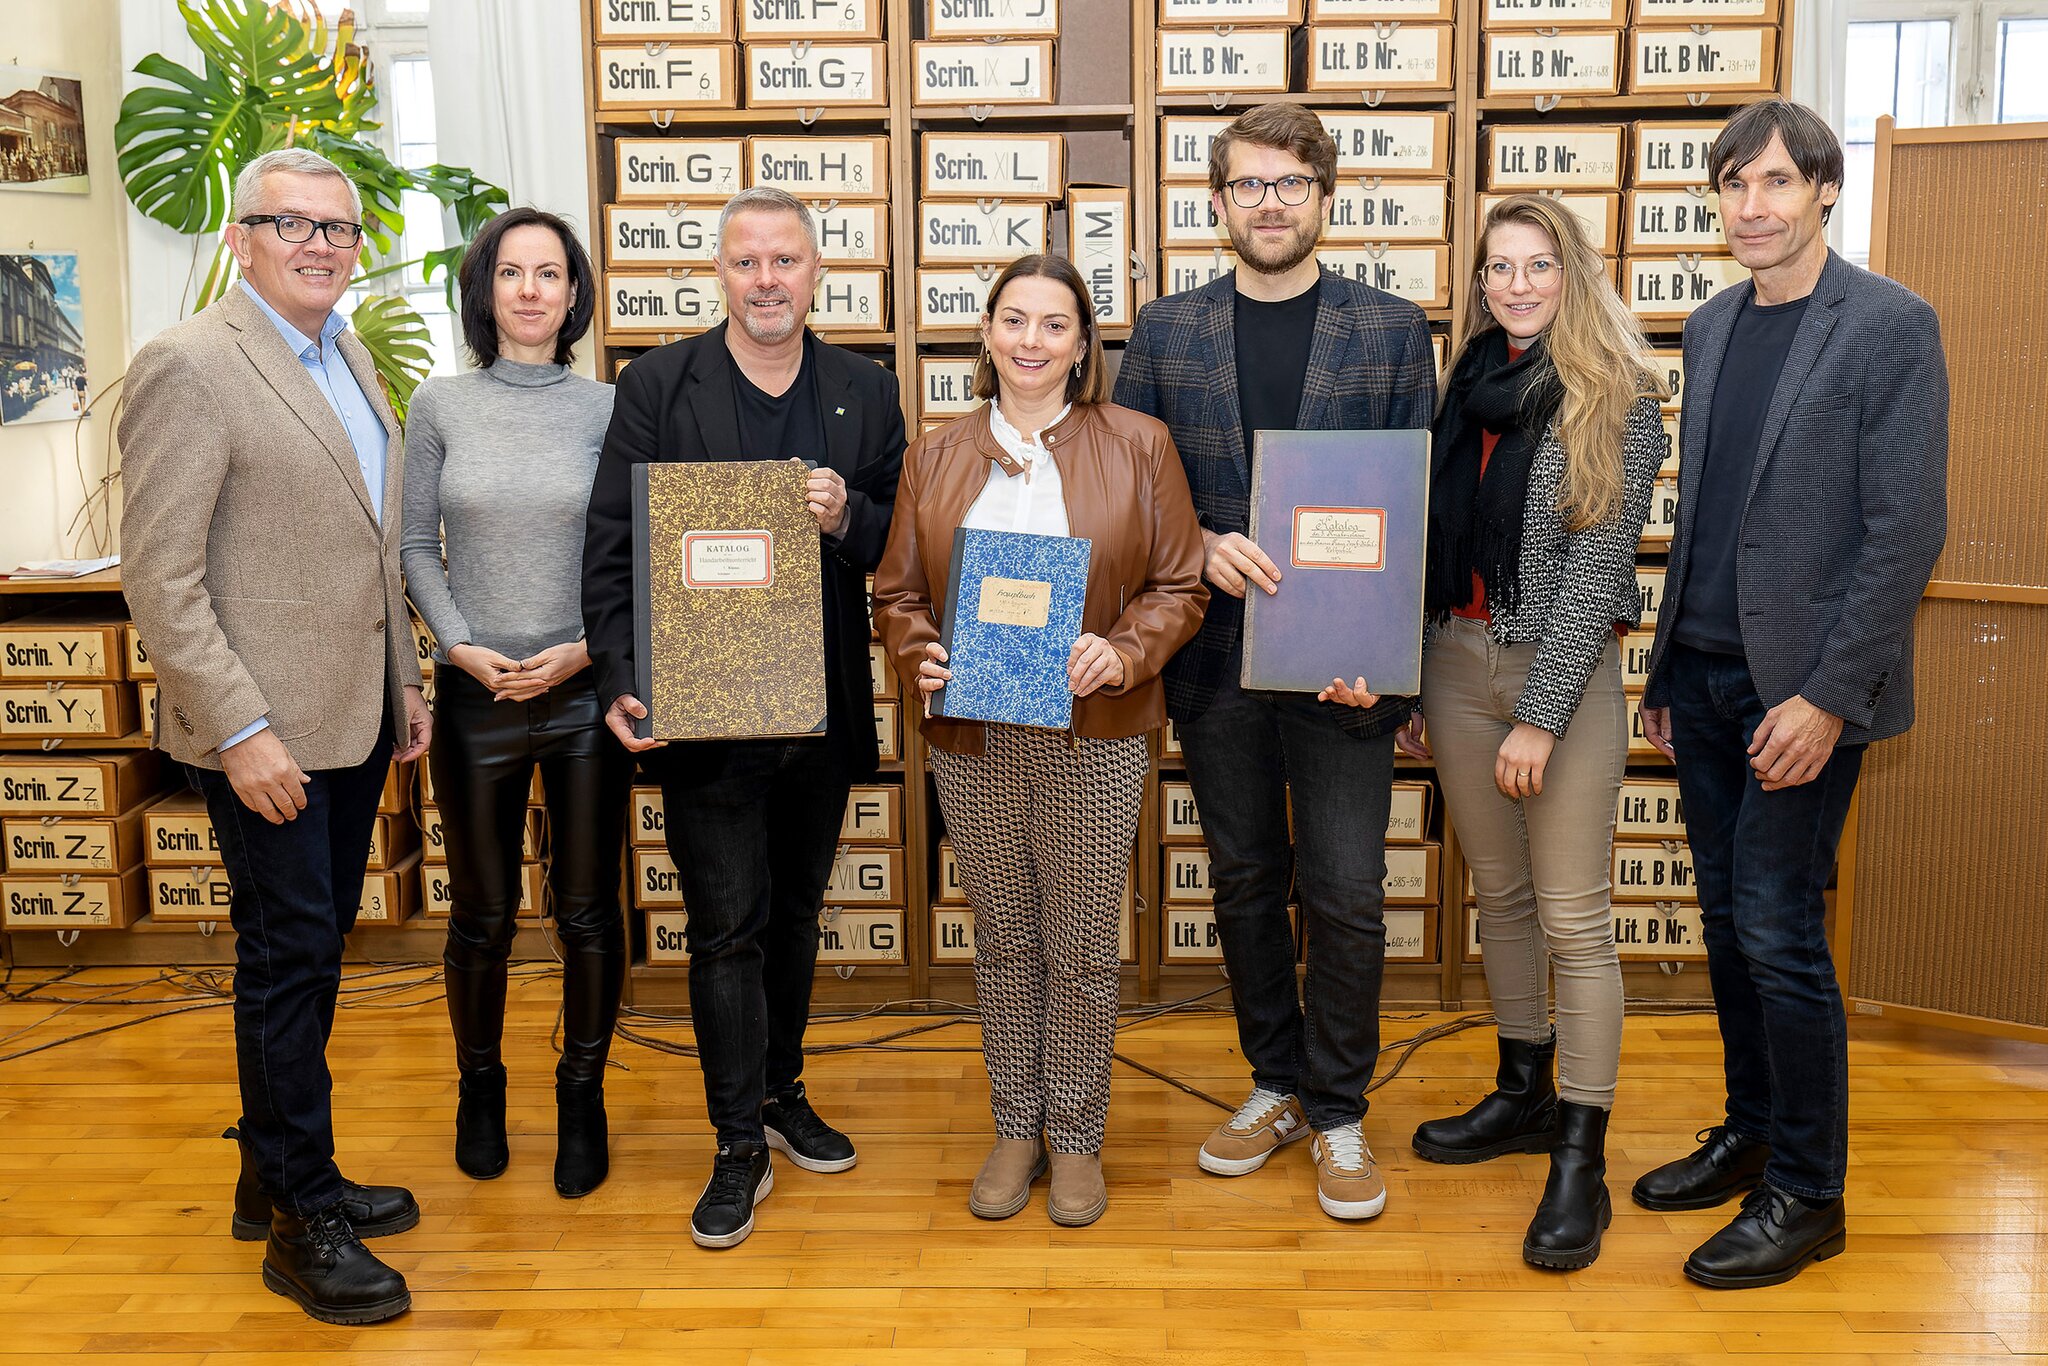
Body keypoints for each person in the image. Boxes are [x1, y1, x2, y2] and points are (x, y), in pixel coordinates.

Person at [1632, 99, 1949, 1288]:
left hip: (1800, 696)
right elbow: (1703, 517)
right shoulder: (1710, 326)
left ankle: (1810, 1192)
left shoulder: (1887, 326)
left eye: (1773, 182)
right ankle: (1752, 1131)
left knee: (1777, 932)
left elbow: (1902, 531)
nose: (1749, 206)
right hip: (1705, 679)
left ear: (1823, 190)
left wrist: (1826, 697)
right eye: (1730, 185)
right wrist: (1665, 670)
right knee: (1724, 926)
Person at [120, 147, 432, 1325]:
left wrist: (405, 677)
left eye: (337, 231)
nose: (317, 246)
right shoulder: (190, 366)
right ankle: (302, 1223)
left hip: (349, 720)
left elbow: (370, 536)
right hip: (266, 738)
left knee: (309, 954)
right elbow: (161, 580)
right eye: (288, 225)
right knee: (287, 961)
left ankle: (277, 1170)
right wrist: (241, 728)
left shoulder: (342, 351)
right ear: (241, 237)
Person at [1114, 103, 1437, 1221]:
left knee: (1345, 893)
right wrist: (1196, 545)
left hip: (1343, 672)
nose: (1266, 204)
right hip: (1211, 665)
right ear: (1216, 203)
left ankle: (1339, 1110)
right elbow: (1124, 496)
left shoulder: (1392, 332)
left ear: (1323, 200)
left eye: (1288, 186)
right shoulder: (1162, 332)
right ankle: (1274, 1085)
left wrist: (1382, 658)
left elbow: (1414, 517)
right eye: (1246, 185)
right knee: (1247, 882)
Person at [581, 186, 904, 1250]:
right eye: (744, 261)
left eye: (786, 260)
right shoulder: (657, 385)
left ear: (819, 271)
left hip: (817, 710)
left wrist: (846, 514)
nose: (765, 279)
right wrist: (623, 674)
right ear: (716, 273)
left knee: (796, 911)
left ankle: (781, 1090)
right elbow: (614, 547)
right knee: (724, 926)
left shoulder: (865, 388)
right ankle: (734, 1144)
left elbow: (903, 541)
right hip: (702, 710)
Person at [873, 255, 1207, 1227]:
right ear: (984, 334)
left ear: (1080, 343)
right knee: (1005, 941)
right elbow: (896, 592)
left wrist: (1122, 650)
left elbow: (1180, 584)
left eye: (1052, 324)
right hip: (971, 735)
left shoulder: (1138, 445)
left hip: (1089, 735)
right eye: (1012, 320)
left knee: (1080, 949)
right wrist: (916, 652)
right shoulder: (935, 457)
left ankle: (1073, 1133)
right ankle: (1012, 1122)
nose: (1029, 341)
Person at [1404, 194, 1668, 1270]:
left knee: (1571, 914)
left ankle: (1580, 1150)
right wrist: (1414, 681)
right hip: (1453, 665)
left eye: (1536, 264)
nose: (1515, 285)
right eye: (1497, 268)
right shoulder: (1462, 385)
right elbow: (1428, 536)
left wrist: (1542, 720)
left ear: (1574, 272)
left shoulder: (1620, 395)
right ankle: (1520, 1089)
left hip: (1555, 678)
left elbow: (1599, 576)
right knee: (1499, 898)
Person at [400, 207, 633, 1199]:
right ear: (484, 290)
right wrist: (459, 646)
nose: (530, 289)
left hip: (583, 692)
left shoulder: (610, 407)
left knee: (585, 910)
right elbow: (414, 546)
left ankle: (581, 1092)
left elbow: (629, 548)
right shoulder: (439, 404)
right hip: (475, 693)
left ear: (576, 294)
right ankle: (479, 1087)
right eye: (510, 272)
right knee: (482, 914)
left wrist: (587, 651)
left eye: (550, 273)